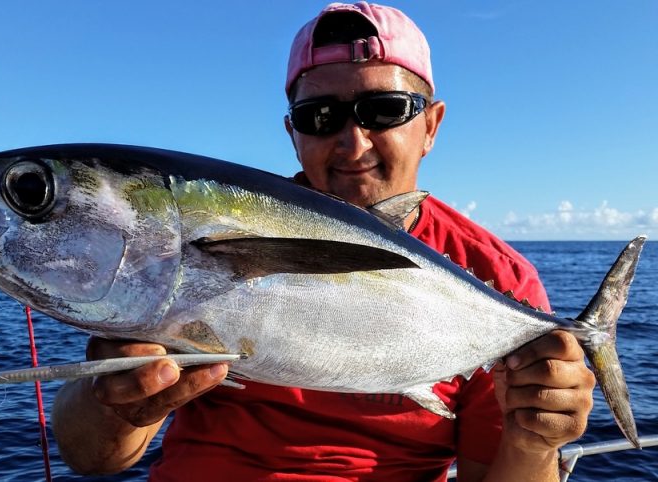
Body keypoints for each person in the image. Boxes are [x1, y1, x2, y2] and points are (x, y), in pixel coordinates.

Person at [52, 3, 596, 480]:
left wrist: (535, 441)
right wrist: (117, 405)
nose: (352, 141)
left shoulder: (494, 276)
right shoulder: (206, 230)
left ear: (431, 126)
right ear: (292, 133)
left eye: (385, 110)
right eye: (320, 117)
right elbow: (94, 459)